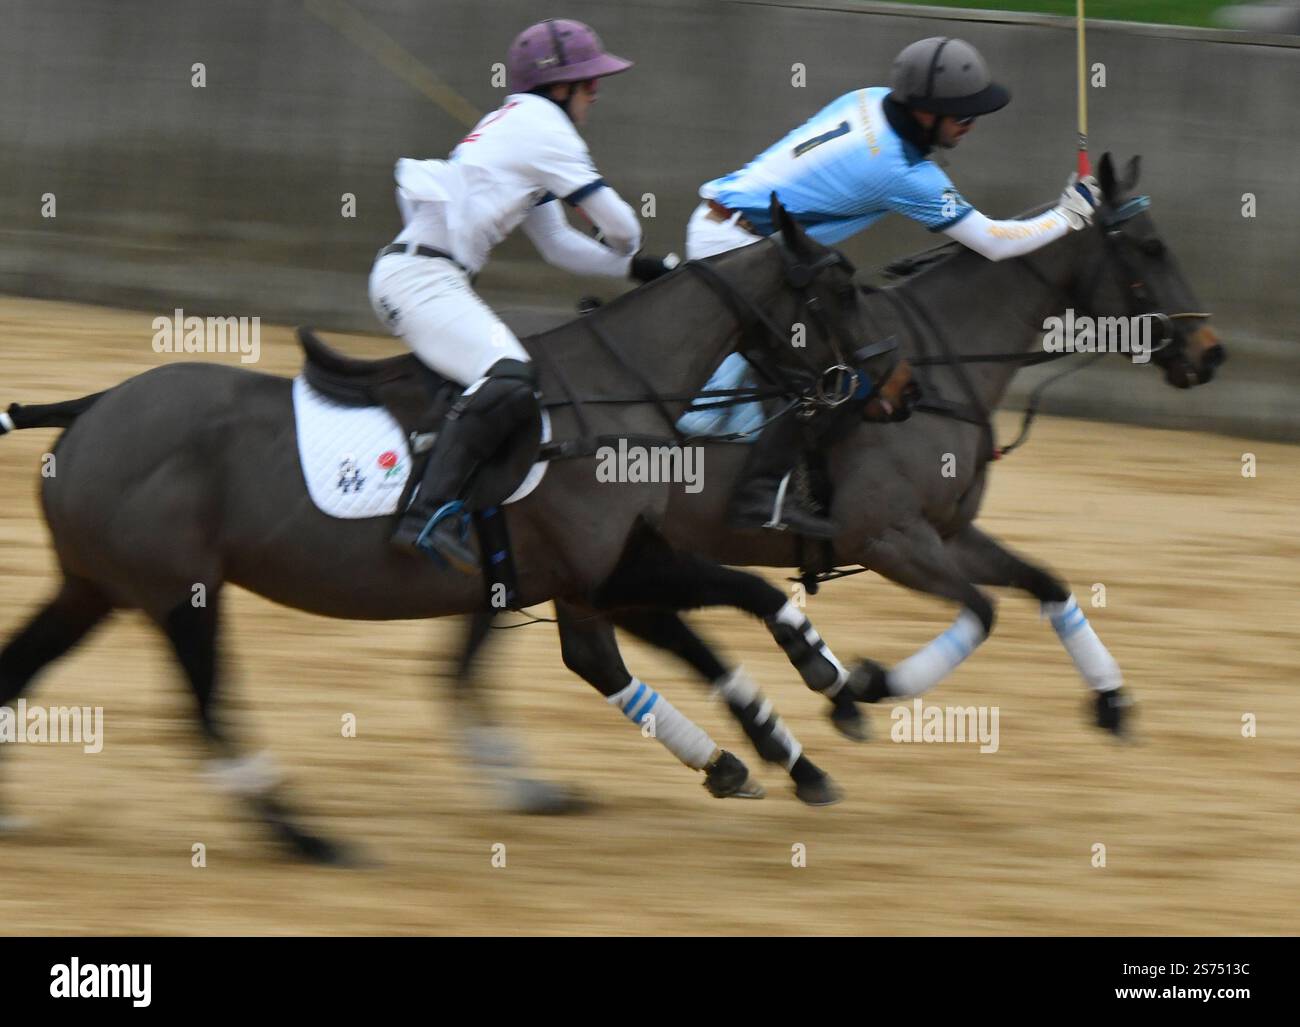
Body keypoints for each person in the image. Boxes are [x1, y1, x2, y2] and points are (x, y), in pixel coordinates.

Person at [682, 36, 1103, 540]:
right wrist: (1068, 215)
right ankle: (757, 495)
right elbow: (992, 241)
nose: (971, 123)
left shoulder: (869, 99)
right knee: (816, 365)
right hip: (740, 252)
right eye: (961, 113)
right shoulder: (898, 172)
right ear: (924, 112)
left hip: (737, 234)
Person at [370, 18, 673, 571]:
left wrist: (639, 269)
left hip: (423, 277)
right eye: (589, 82)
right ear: (559, 88)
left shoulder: (519, 125)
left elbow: (558, 244)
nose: (596, 93)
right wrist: (627, 241)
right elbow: (623, 224)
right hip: (421, 281)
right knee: (511, 375)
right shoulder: (547, 130)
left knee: (509, 376)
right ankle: (424, 514)